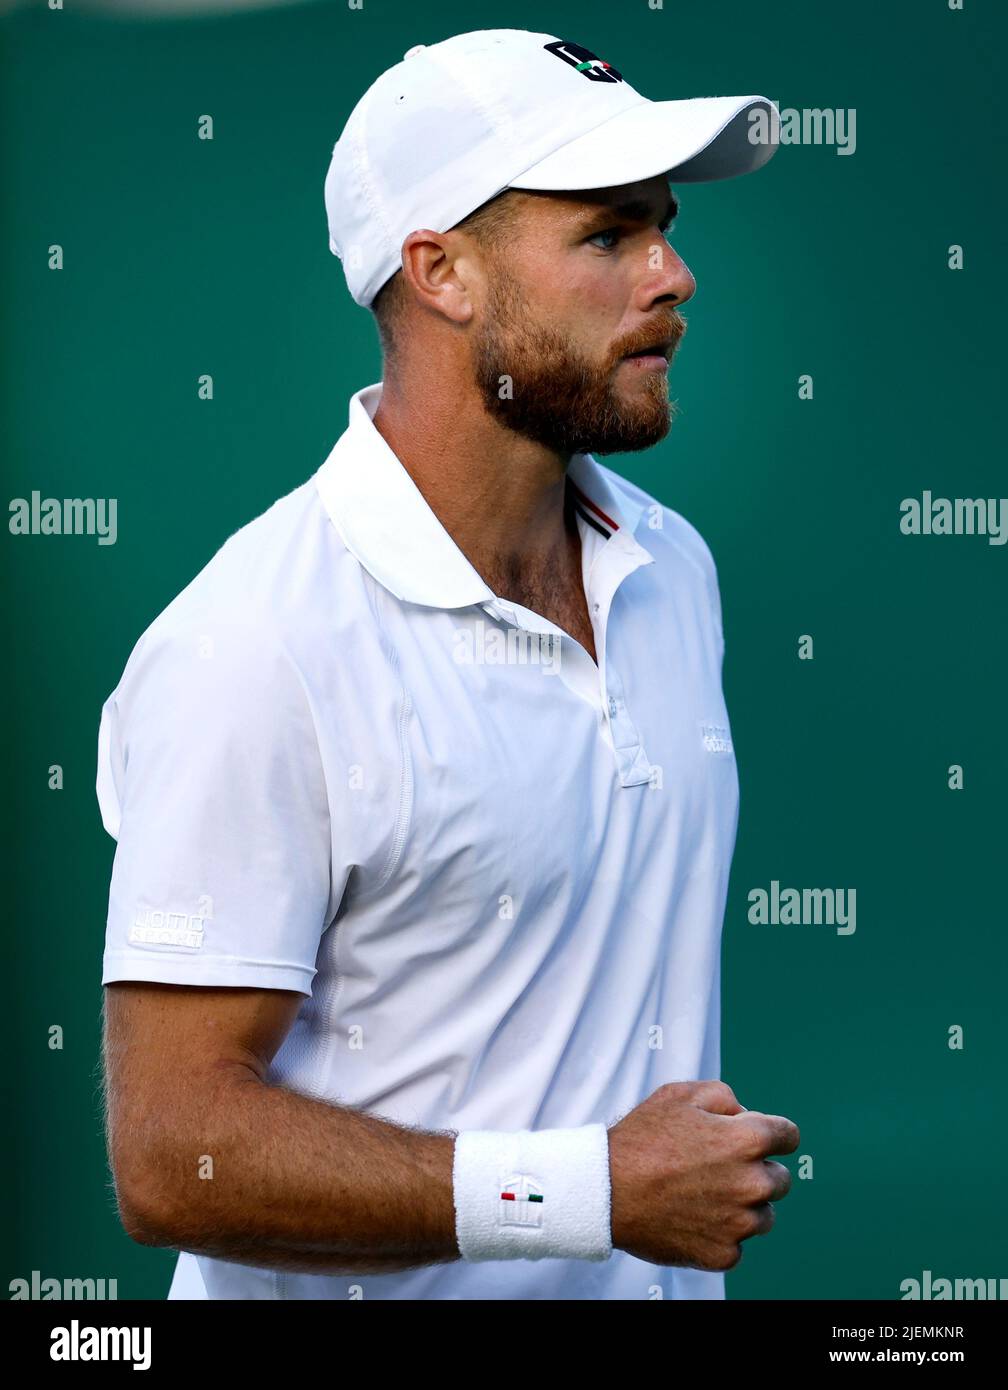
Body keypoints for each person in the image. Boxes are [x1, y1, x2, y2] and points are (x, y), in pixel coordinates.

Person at [97, 27, 799, 1301]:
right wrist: (592, 1194)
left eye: (665, 226)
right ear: (442, 273)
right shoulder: (251, 648)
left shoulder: (669, 568)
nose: (674, 273)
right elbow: (171, 1157)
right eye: (608, 235)